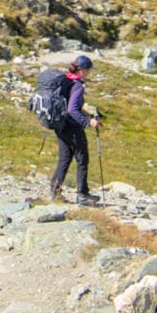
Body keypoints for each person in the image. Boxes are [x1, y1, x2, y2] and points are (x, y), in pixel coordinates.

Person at [36, 53, 98, 202]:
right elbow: (72, 110)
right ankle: (82, 195)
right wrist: (88, 122)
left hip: (60, 125)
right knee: (82, 159)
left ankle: (54, 191)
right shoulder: (77, 86)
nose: (89, 73)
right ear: (81, 70)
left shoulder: (64, 81)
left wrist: (84, 110)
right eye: (88, 70)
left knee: (64, 159)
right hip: (72, 127)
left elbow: (67, 104)